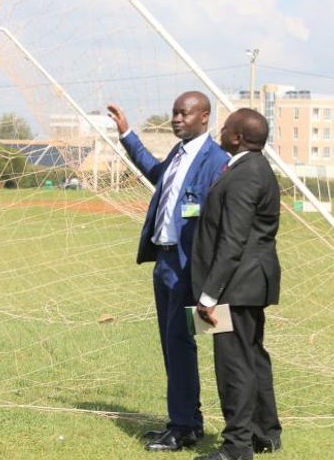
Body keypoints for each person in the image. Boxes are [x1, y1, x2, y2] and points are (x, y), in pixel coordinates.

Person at [107, 92, 230, 452]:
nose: (176, 118)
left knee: (200, 343)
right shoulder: (179, 153)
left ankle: (189, 427)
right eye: (174, 112)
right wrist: (128, 135)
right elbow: (156, 173)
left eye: (184, 113)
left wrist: (211, 282)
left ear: (204, 117)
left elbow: (220, 219)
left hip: (192, 267)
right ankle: (186, 421)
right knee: (173, 344)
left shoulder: (215, 160)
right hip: (165, 264)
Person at [191, 108, 282, 460]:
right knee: (252, 358)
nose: (221, 130)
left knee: (235, 365)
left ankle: (237, 447)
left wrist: (208, 295)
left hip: (236, 285)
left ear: (237, 137)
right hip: (247, 283)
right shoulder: (250, 167)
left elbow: (233, 240)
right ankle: (265, 433)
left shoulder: (247, 174)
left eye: (225, 126)